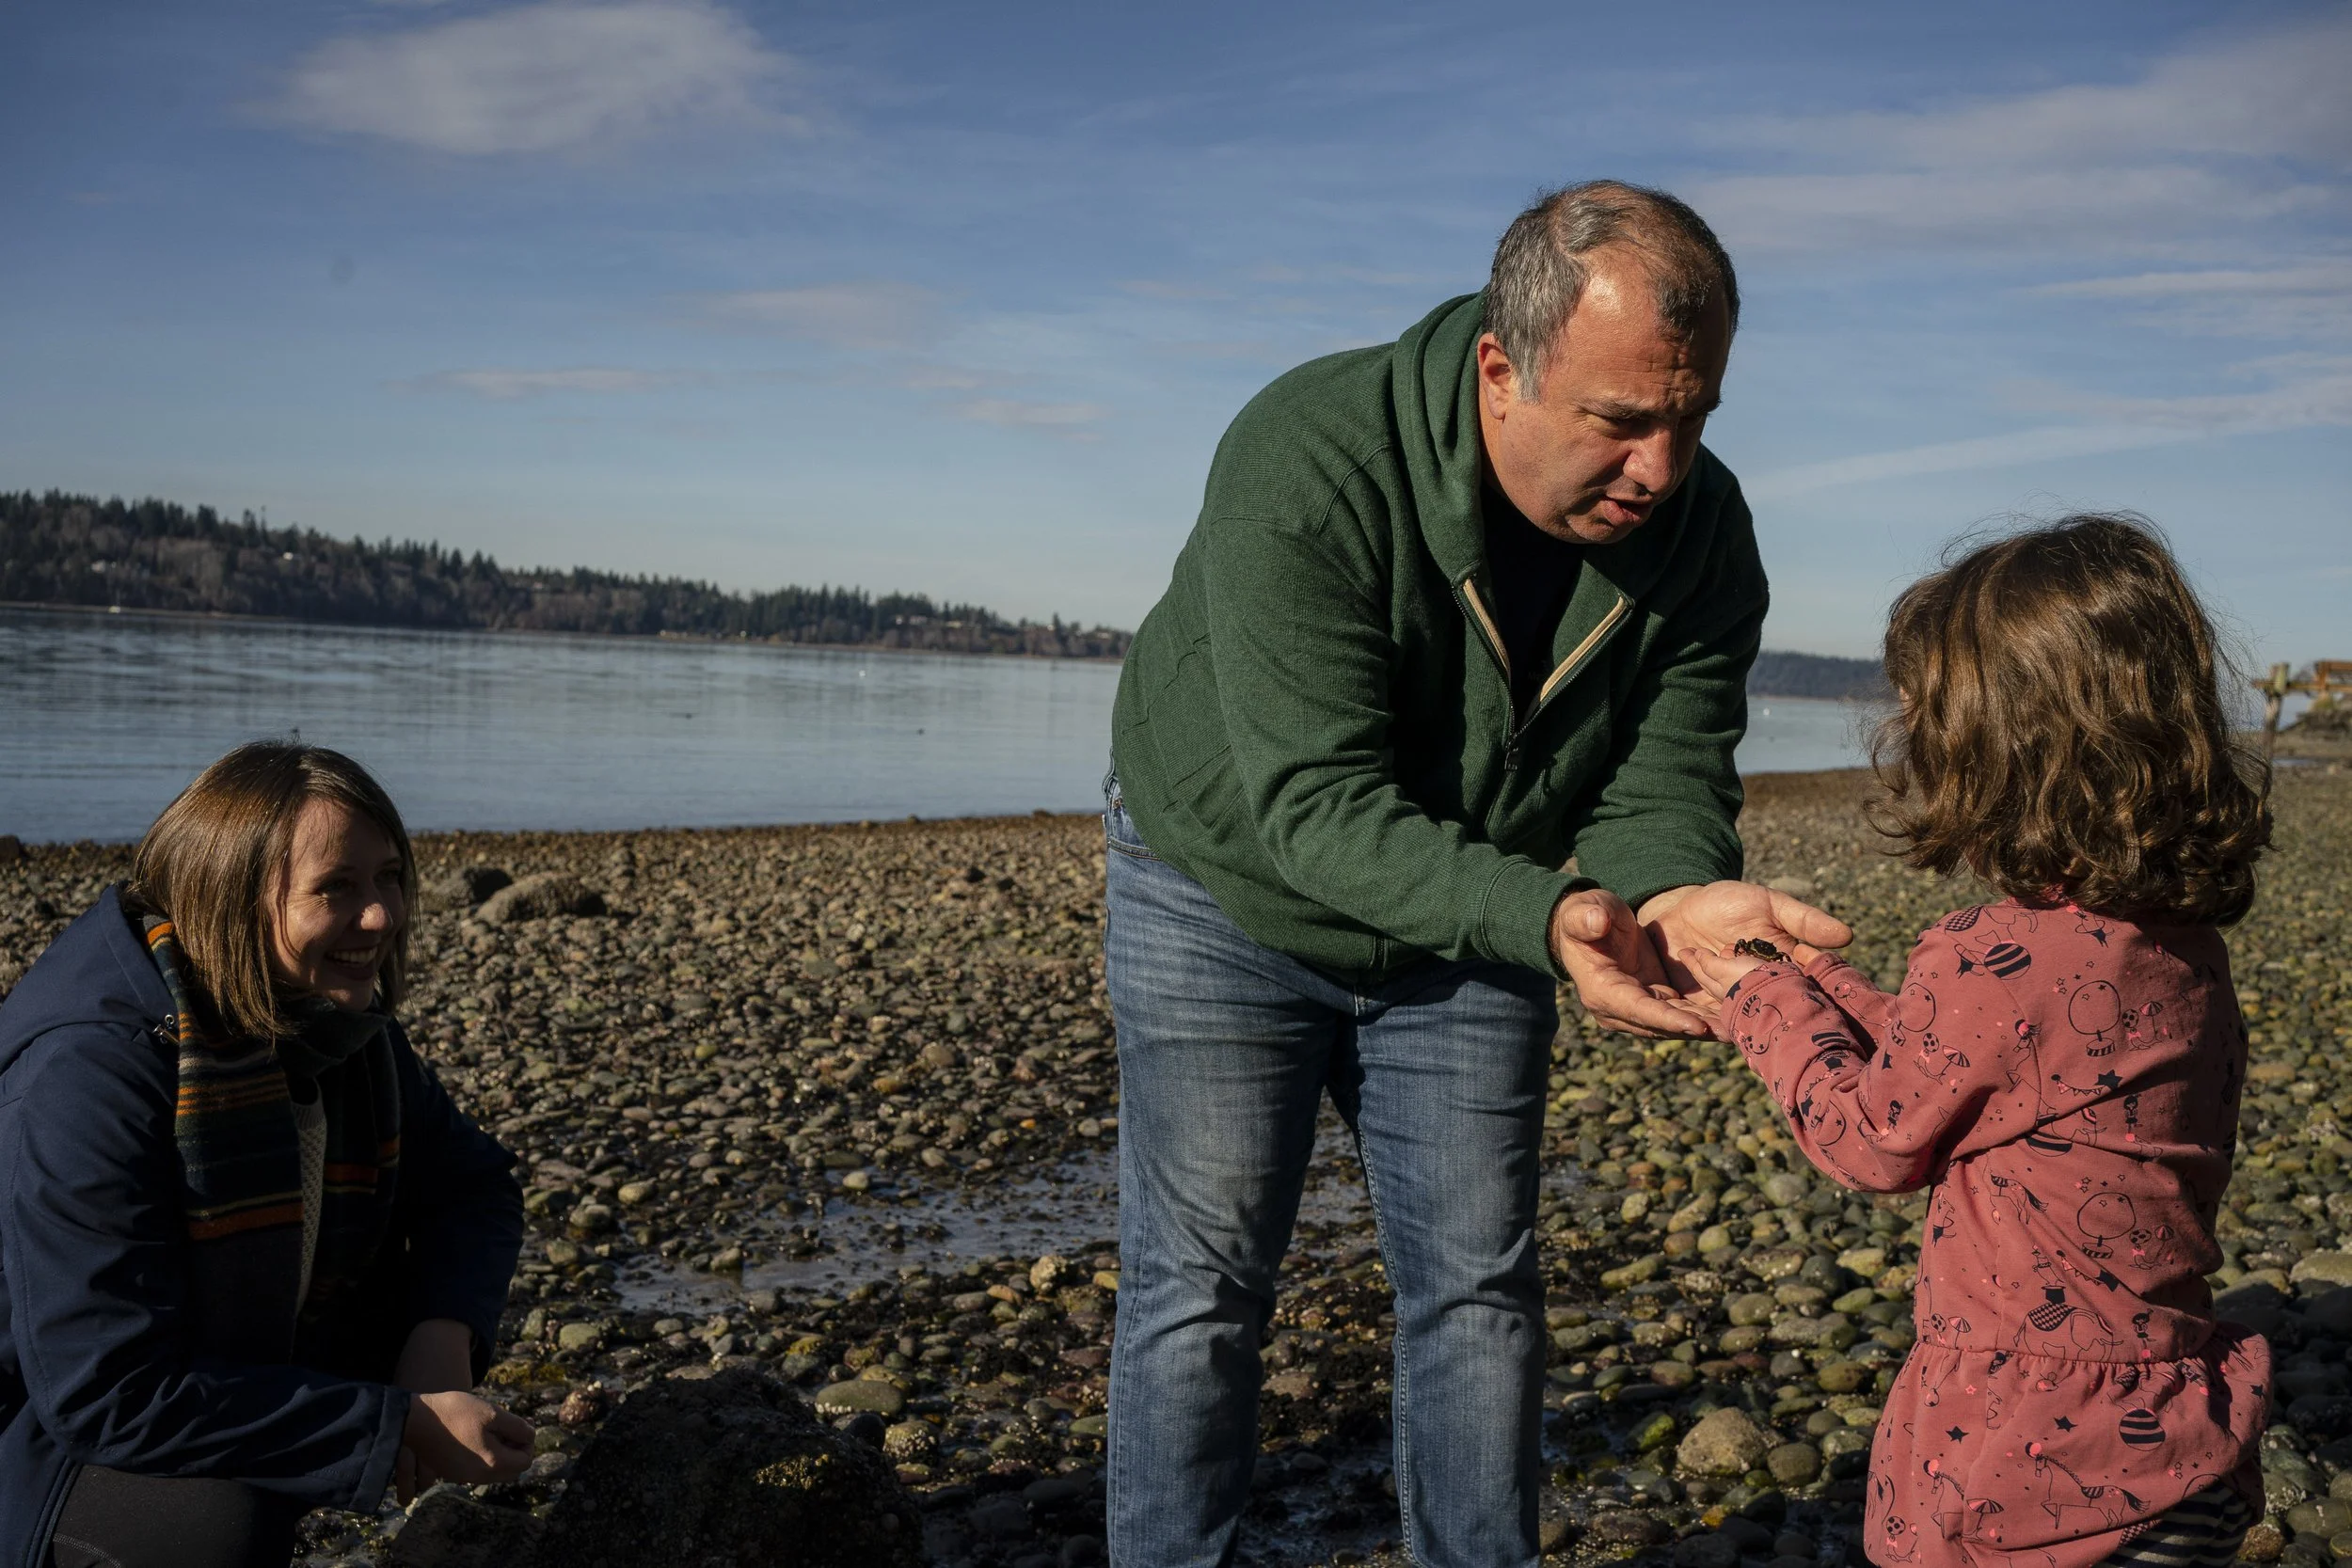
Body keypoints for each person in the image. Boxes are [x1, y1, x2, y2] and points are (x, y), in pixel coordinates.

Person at [1103, 179, 1850, 1566]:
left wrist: (1672, 891)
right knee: (1198, 1289)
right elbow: (1315, 806)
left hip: (1483, 914)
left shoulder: (1703, 534)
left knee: (1479, 1292)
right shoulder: (1308, 455)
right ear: (1502, 371)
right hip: (1223, 890)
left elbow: (1663, 774)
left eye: (1692, 420)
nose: (1662, 467)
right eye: (1622, 420)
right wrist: (1546, 908)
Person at [1682, 516, 2272, 1568]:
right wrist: (1816, 976)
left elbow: (1873, 1136)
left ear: (2000, 751)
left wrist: (1759, 1001)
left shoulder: (1989, 955)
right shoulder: (2181, 951)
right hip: (2180, 1447)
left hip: (2038, 1467)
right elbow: (1966, 1067)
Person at [0, 742, 532, 1568]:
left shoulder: (335, 1029)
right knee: (213, 1529)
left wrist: (443, 1332)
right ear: (235, 900)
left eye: (389, 876)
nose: (382, 915)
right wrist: (393, 1425)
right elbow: (105, 1391)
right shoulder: (92, 1072)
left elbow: (473, 1182)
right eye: (338, 888)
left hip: (178, 1370)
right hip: (30, 1440)